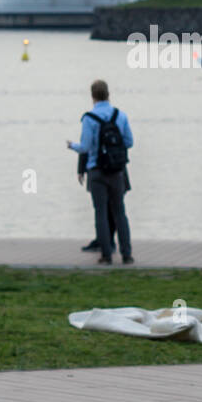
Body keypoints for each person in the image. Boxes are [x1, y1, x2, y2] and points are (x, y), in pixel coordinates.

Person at [67, 80, 133, 265]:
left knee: (101, 213)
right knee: (120, 212)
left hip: (97, 172)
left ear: (92, 96)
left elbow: (85, 147)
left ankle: (106, 255)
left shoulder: (89, 118)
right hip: (117, 171)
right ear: (108, 94)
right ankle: (127, 254)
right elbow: (129, 142)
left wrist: (72, 146)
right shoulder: (120, 116)